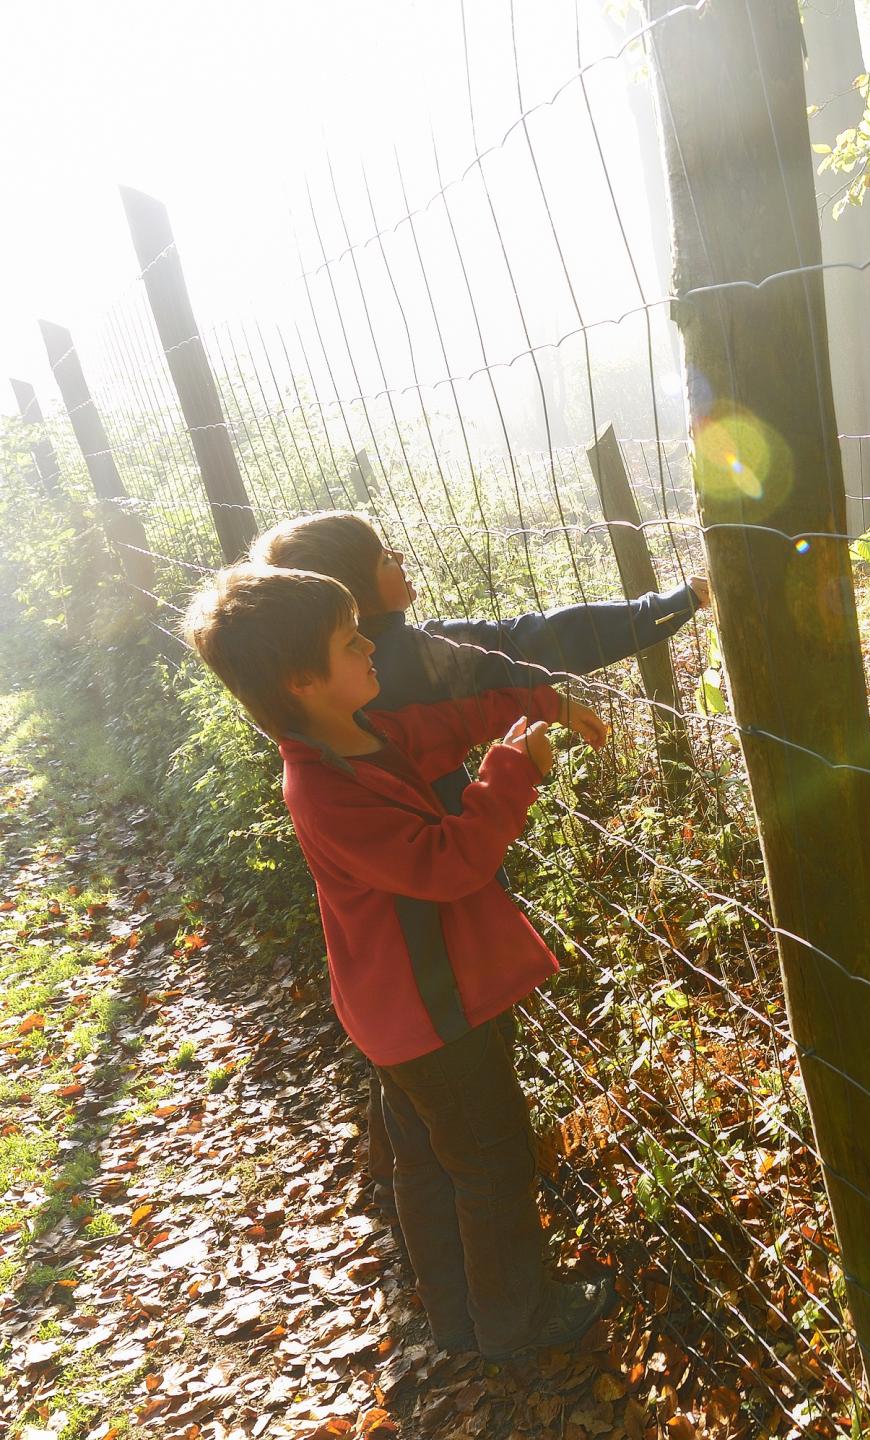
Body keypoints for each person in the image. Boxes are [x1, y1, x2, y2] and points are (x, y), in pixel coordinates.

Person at [181, 563, 613, 1358]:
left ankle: (456, 1314)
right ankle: (516, 1325)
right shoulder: (324, 790)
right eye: (352, 642)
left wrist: (539, 703)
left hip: (397, 1010)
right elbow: (449, 863)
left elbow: (443, 727)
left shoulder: (354, 739)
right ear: (303, 680)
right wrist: (513, 773)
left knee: (429, 1163)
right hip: (433, 1013)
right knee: (489, 1162)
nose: (371, 647)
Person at [250, 511, 708, 1200]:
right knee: (473, 1119)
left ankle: (421, 1213)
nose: (397, 556)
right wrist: (666, 608)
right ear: (350, 596)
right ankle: (505, 1297)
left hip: (386, 951)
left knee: (418, 1092)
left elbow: (502, 657)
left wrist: (542, 697)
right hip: (437, 924)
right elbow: (532, 641)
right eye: (381, 556)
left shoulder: (335, 713)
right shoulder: (401, 666)